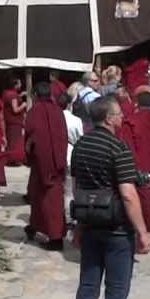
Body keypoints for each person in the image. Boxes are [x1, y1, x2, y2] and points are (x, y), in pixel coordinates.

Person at [70, 96, 150, 299]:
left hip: (90, 224)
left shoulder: (80, 145)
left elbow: (77, 188)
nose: (122, 118)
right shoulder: (118, 147)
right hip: (117, 229)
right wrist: (142, 231)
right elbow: (128, 194)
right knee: (116, 291)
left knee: (87, 288)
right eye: (118, 114)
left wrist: (79, 226)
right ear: (108, 118)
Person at [118, 85, 150, 244]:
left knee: (136, 198)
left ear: (137, 102)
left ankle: (138, 228)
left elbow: (125, 143)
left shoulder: (130, 120)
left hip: (134, 164)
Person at [24, 80, 70, 250]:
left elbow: (30, 136)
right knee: (40, 197)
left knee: (48, 200)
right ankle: (35, 227)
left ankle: (55, 238)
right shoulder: (58, 111)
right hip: (57, 162)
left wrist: (28, 156)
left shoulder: (34, 112)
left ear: (35, 95)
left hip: (41, 162)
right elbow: (63, 135)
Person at [62, 91, 85, 223]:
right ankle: (69, 217)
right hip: (71, 154)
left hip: (57, 154)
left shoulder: (53, 118)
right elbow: (80, 139)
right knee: (70, 191)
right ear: (69, 104)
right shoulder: (76, 120)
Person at [3, 76, 28, 167]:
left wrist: (20, 95)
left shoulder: (6, 93)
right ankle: (13, 159)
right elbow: (15, 109)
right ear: (15, 85)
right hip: (15, 121)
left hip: (8, 120)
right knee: (15, 142)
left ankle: (9, 159)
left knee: (10, 141)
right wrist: (24, 105)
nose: (21, 85)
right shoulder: (13, 95)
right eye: (19, 83)